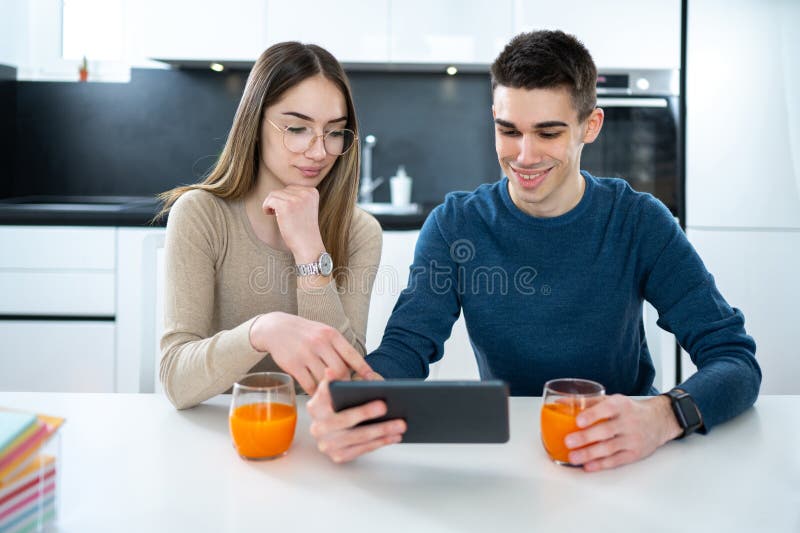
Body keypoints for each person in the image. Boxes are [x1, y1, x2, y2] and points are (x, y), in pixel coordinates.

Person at [307, 30, 761, 470]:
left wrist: (663, 416)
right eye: (509, 131)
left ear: (590, 126)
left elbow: (734, 359)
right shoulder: (456, 225)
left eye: (548, 133)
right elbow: (407, 348)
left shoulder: (639, 221)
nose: (524, 155)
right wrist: (355, 400)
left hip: (622, 453)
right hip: (510, 454)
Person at [157, 42, 382, 410]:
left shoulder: (359, 231)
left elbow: (347, 379)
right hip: (219, 438)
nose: (319, 151)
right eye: (297, 128)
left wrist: (310, 252)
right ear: (255, 122)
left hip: (318, 440)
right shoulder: (201, 215)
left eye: (335, 131)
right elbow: (176, 380)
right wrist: (261, 332)